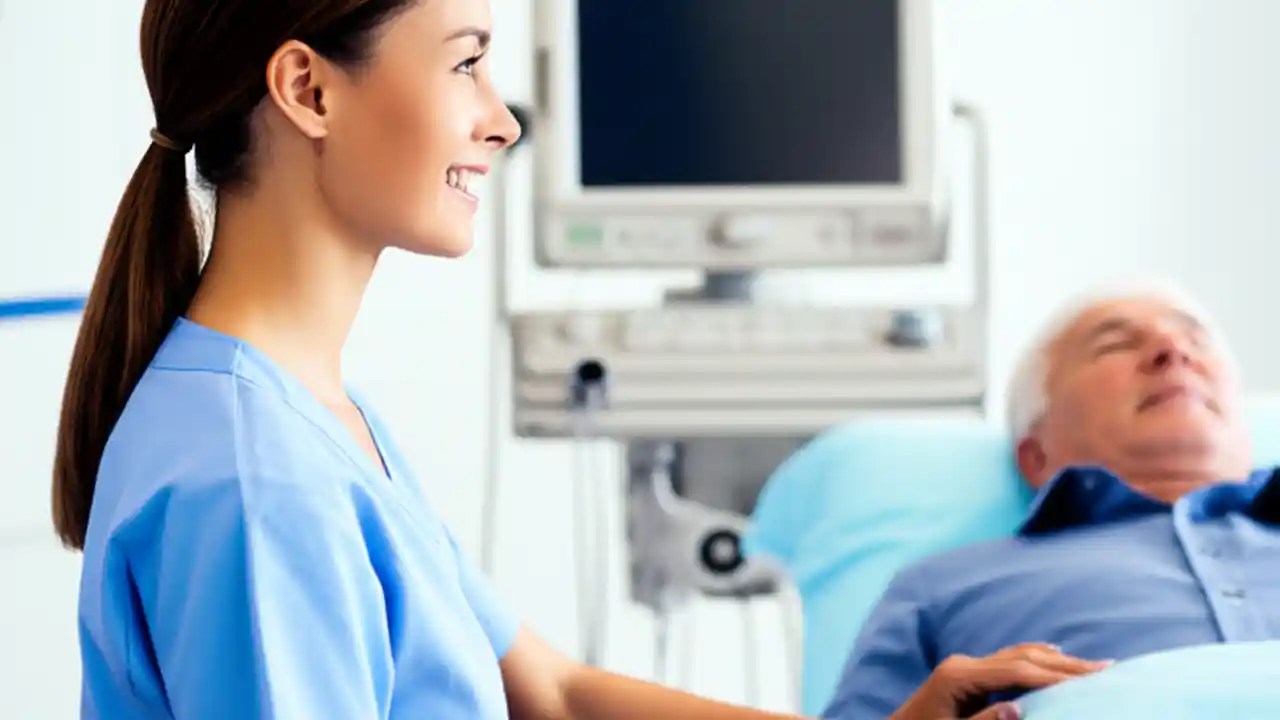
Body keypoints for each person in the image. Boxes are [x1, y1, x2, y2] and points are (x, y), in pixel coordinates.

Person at [53, 2, 1100, 718]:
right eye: (464, 61)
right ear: (307, 91)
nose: (500, 121)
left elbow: (547, 691)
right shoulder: (256, 479)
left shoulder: (311, 415)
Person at [821, 280, 1280, 719]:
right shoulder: (939, 589)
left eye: (1197, 342)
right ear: (1037, 454)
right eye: (1114, 345)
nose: (1173, 352)